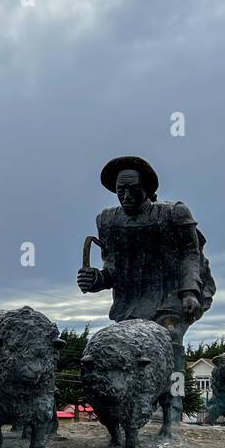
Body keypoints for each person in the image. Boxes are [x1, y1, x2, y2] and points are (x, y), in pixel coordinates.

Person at [77, 155, 215, 426]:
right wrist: (96, 279)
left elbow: (190, 254)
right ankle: (129, 408)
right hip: (132, 300)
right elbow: (113, 269)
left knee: (170, 339)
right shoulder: (108, 221)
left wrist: (190, 291)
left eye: (133, 190)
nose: (126, 196)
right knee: (126, 350)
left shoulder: (174, 214)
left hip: (171, 294)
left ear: (147, 189)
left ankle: (173, 409)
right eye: (120, 191)